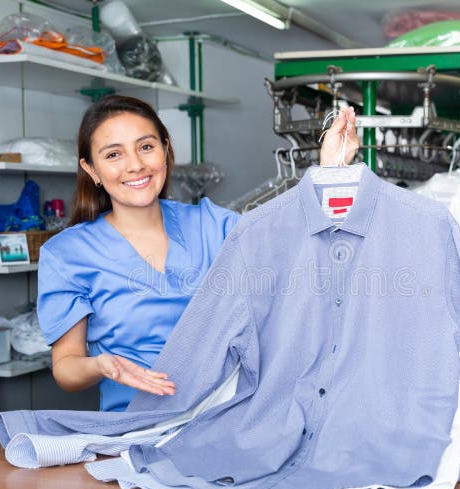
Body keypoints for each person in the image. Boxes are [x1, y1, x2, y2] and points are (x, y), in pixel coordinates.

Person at [37, 95, 359, 412]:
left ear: (166, 150)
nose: (135, 165)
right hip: (136, 431)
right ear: (91, 169)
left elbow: (293, 243)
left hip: (229, 421)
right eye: (113, 155)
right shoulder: (66, 255)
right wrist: (101, 366)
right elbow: (66, 366)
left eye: (146, 147)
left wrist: (330, 173)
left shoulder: (212, 225)